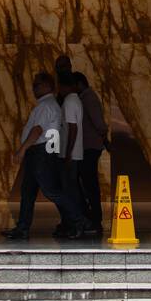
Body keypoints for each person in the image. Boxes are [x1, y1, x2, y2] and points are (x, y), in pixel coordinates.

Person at [2, 71, 88, 241]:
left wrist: (22, 149)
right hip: (43, 152)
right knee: (28, 192)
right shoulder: (49, 104)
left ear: (48, 86)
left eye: (37, 85)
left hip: (41, 153)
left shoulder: (45, 105)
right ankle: (22, 227)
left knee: (51, 191)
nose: (33, 89)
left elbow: (37, 130)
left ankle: (79, 221)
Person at [74, 71, 108, 235]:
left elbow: (99, 123)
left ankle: (95, 219)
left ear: (79, 84)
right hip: (88, 146)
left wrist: (102, 136)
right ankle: (91, 217)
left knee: (89, 183)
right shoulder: (86, 98)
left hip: (90, 147)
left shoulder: (88, 98)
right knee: (87, 182)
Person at [54, 70, 84, 237]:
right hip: (73, 153)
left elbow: (72, 128)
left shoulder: (70, 101)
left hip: (71, 154)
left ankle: (76, 224)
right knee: (70, 189)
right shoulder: (75, 100)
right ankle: (73, 223)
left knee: (69, 190)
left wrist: (68, 152)